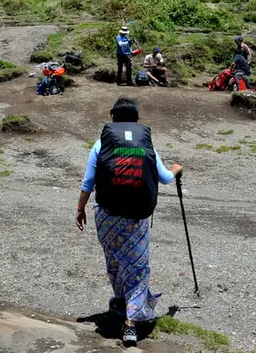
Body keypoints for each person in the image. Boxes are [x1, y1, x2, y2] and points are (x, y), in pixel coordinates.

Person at [76, 98, 182, 346]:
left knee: (114, 262)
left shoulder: (102, 143)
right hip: (135, 217)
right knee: (137, 267)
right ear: (135, 119)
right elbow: (165, 178)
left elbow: (88, 182)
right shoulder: (146, 144)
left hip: (106, 216)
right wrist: (177, 168)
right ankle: (130, 324)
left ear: (112, 117)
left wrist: (80, 208)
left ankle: (121, 302)